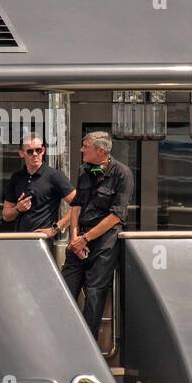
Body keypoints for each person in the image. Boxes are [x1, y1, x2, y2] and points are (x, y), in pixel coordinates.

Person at [62, 131, 135, 342]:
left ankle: (88, 346)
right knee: (64, 290)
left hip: (104, 242)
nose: (81, 150)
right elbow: (76, 205)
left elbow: (116, 216)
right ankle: (62, 341)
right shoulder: (84, 170)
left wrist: (86, 239)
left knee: (94, 294)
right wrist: (75, 237)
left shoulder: (122, 173)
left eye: (86, 146)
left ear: (101, 151)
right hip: (79, 240)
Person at [1, 132, 75, 238]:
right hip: (19, 239)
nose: (35, 154)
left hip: (42, 240)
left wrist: (55, 228)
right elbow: (6, 215)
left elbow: (79, 204)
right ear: (21, 153)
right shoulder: (16, 177)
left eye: (38, 150)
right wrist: (18, 208)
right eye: (30, 151)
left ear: (43, 151)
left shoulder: (54, 175)